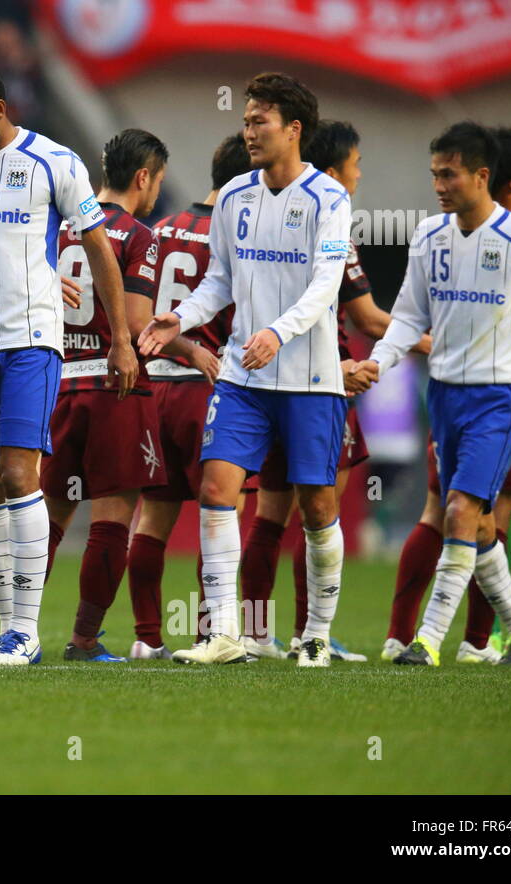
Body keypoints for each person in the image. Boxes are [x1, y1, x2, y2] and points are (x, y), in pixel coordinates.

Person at [138, 72, 351, 668]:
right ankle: (224, 633)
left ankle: (314, 635)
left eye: (261, 122)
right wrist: (176, 321)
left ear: (294, 129)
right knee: (216, 488)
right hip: (243, 379)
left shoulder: (329, 199)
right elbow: (219, 284)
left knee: (316, 507)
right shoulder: (234, 197)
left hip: (310, 380)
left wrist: (276, 332)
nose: (249, 131)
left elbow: (325, 285)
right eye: (246, 121)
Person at [353, 121, 511, 666]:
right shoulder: (430, 237)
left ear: (481, 175)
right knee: (474, 523)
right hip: (446, 400)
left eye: (449, 174)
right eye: (434, 175)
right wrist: (375, 363)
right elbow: (406, 319)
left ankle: (427, 641)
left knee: (457, 510)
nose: (439, 185)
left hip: (500, 399)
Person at [0, 63, 138, 666]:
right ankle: (8, 629)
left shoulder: (55, 161)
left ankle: (25, 630)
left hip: (30, 339)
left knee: (20, 473)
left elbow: (98, 248)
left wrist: (122, 337)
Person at [241, 120, 430, 661]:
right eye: (356, 164)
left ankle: (255, 635)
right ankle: (310, 634)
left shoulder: (258, 217)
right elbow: (369, 319)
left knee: (269, 517)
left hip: (260, 381)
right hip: (315, 388)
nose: (360, 174)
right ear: (330, 172)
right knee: (319, 511)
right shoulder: (332, 227)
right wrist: (427, 341)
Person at [42, 128, 168, 662]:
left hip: (57, 383)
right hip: (114, 387)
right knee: (112, 520)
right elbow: (137, 325)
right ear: (143, 177)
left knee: (46, 520)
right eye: (158, 180)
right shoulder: (140, 235)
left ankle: (16, 627)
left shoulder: (62, 227)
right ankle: (84, 638)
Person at [128, 135, 244, 660]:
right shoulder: (239, 234)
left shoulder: (162, 228)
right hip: (208, 385)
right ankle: (211, 633)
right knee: (220, 512)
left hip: (154, 386)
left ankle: (146, 638)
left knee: (152, 516)